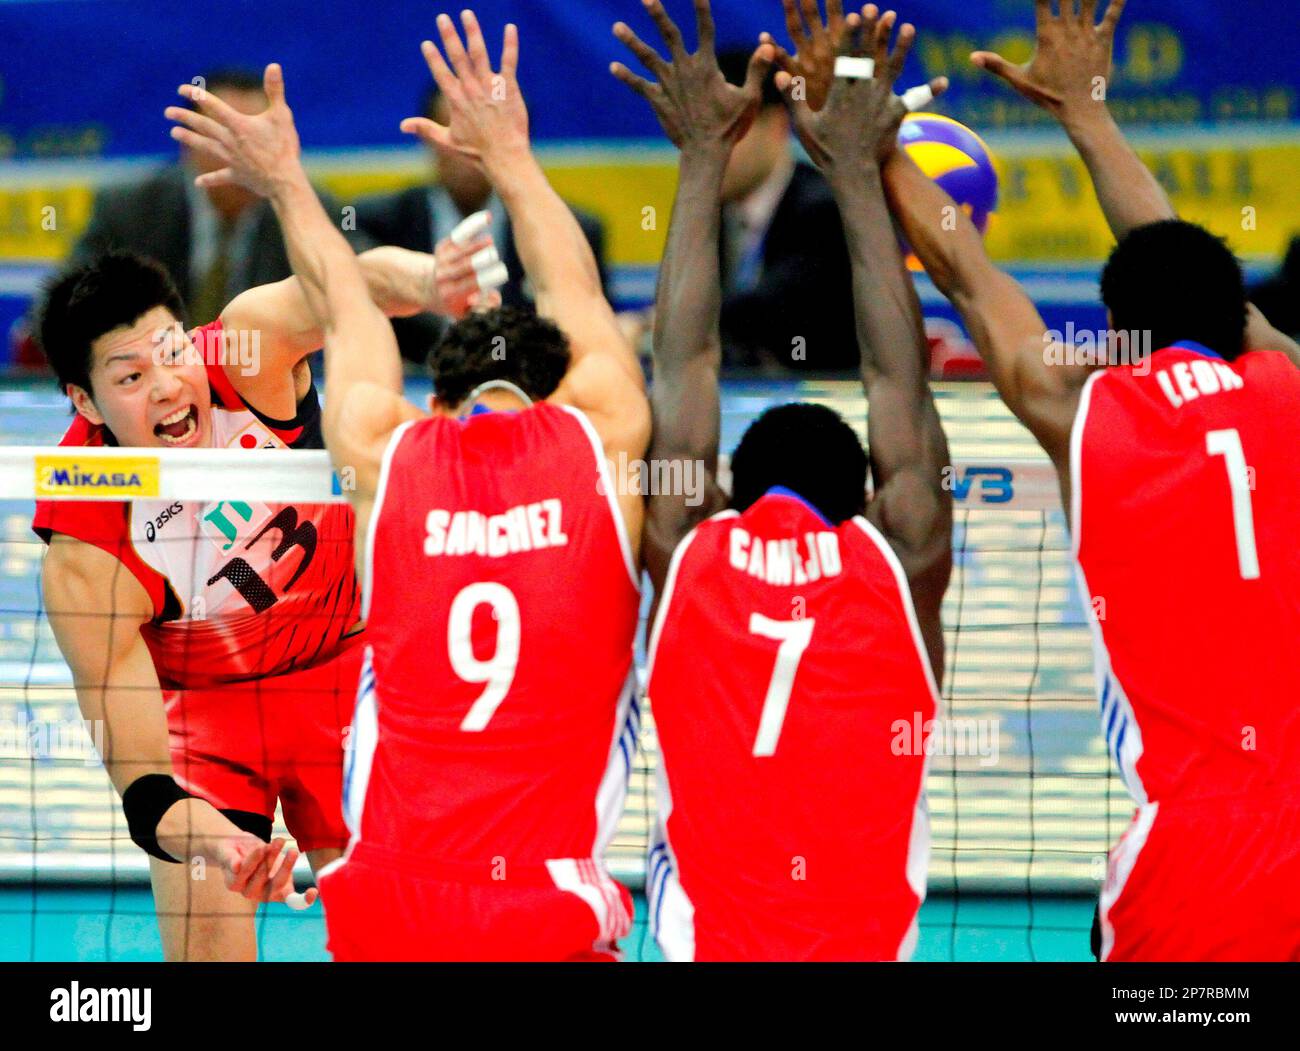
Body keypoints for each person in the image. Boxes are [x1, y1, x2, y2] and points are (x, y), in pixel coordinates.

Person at [166, 11, 652, 961]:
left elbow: (346, 303)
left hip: (385, 889)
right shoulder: (601, 443)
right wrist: (510, 155)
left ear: (438, 394)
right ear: (555, 386)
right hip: (539, 899)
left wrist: (286, 182)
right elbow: (577, 295)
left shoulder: (387, 458)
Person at [886, 0, 1300, 961]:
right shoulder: (1289, 384)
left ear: (1115, 332)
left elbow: (964, 270)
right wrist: (1090, 113)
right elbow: (1204, 285)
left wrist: (870, 142)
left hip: (1198, 859)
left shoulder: (1090, 417)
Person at [35, 219, 498, 959]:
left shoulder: (247, 353)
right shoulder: (87, 548)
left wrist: (429, 281)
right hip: (206, 712)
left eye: (172, 351)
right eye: (129, 378)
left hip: (344, 672)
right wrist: (217, 840)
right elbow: (146, 785)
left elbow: (346, 286)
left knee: (412, 940)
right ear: (84, 403)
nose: (167, 385)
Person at [612, 0, 952, 960]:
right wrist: (854, 169)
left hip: (706, 941)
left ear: (728, 488)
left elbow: (685, 365)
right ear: (867, 504)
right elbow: (898, 375)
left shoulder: (687, 549)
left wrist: (698, 160)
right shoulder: (899, 555)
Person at [65, 69, 371, 329]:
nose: (243, 153)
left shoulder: (309, 209)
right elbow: (67, 308)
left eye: (257, 138)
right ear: (188, 141)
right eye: (225, 135)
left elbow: (365, 293)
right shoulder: (132, 211)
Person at [354, 81, 611, 363]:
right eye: (454, 134)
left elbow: (589, 345)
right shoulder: (373, 225)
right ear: (426, 137)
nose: (466, 154)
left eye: (480, 138)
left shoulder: (569, 234)